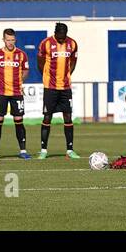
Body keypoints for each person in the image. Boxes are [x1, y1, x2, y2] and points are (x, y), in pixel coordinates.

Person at [37, 22, 79, 160]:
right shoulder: (46, 43)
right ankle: (43, 150)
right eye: (59, 36)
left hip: (65, 88)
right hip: (50, 87)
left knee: (67, 117)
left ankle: (70, 150)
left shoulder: (72, 43)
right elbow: (40, 62)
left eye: (63, 37)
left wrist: (68, 75)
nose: (61, 39)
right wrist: (46, 76)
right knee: (47, 117)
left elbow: (73, 61)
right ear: (55, 33)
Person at [0, 29, 30, 160]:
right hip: (1, 93)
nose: (10, 42)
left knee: (18, 120)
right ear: (3, 40)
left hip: (17, 93)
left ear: (15, 40)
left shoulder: (21, 55)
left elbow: (26, 70)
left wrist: (21, 81)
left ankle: (23, 150)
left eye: (12, 40)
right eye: (8, 40)